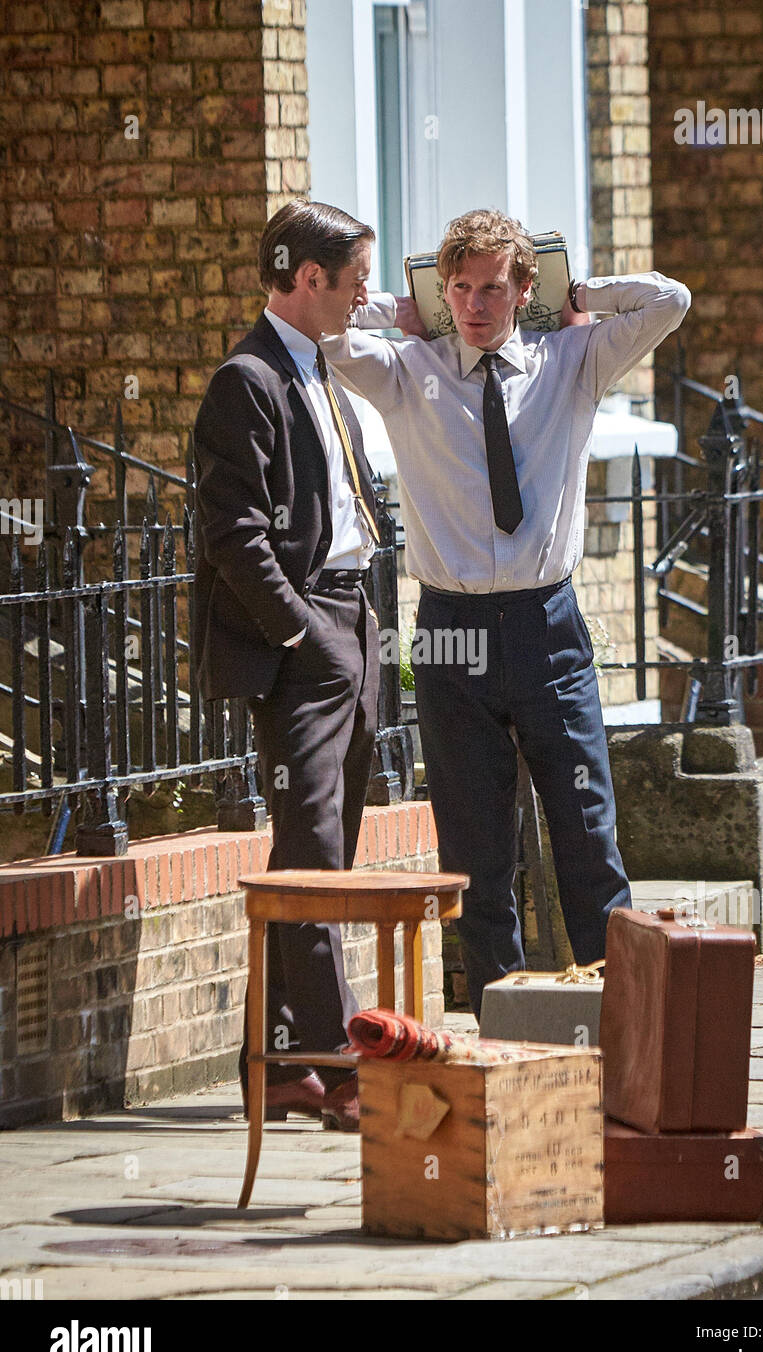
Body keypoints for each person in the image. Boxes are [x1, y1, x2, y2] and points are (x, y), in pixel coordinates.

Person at [321, 207, 691, 1018]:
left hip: (546, 624)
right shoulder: (408, 371)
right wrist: (401, 310)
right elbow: (324, 335)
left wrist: (580, 292)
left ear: (523, 289)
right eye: (460, 288)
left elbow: (671, 301)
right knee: (478, 847)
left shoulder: (575, 359)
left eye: (493, 287)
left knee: (586, 830)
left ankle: (617, 1019)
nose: (476, 304)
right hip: (450, 629)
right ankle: (500, 1028)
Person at [193, 201, 381, 1129]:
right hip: (306, 639)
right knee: (310, 853)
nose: (362, 297)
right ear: (308, 280)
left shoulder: (321, 367)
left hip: (354, 620)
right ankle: (341, 1066)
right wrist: (304, 632)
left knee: (324, 853)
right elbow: (231, 532)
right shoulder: (248, 379)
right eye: (352, 281)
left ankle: (274, 1064)